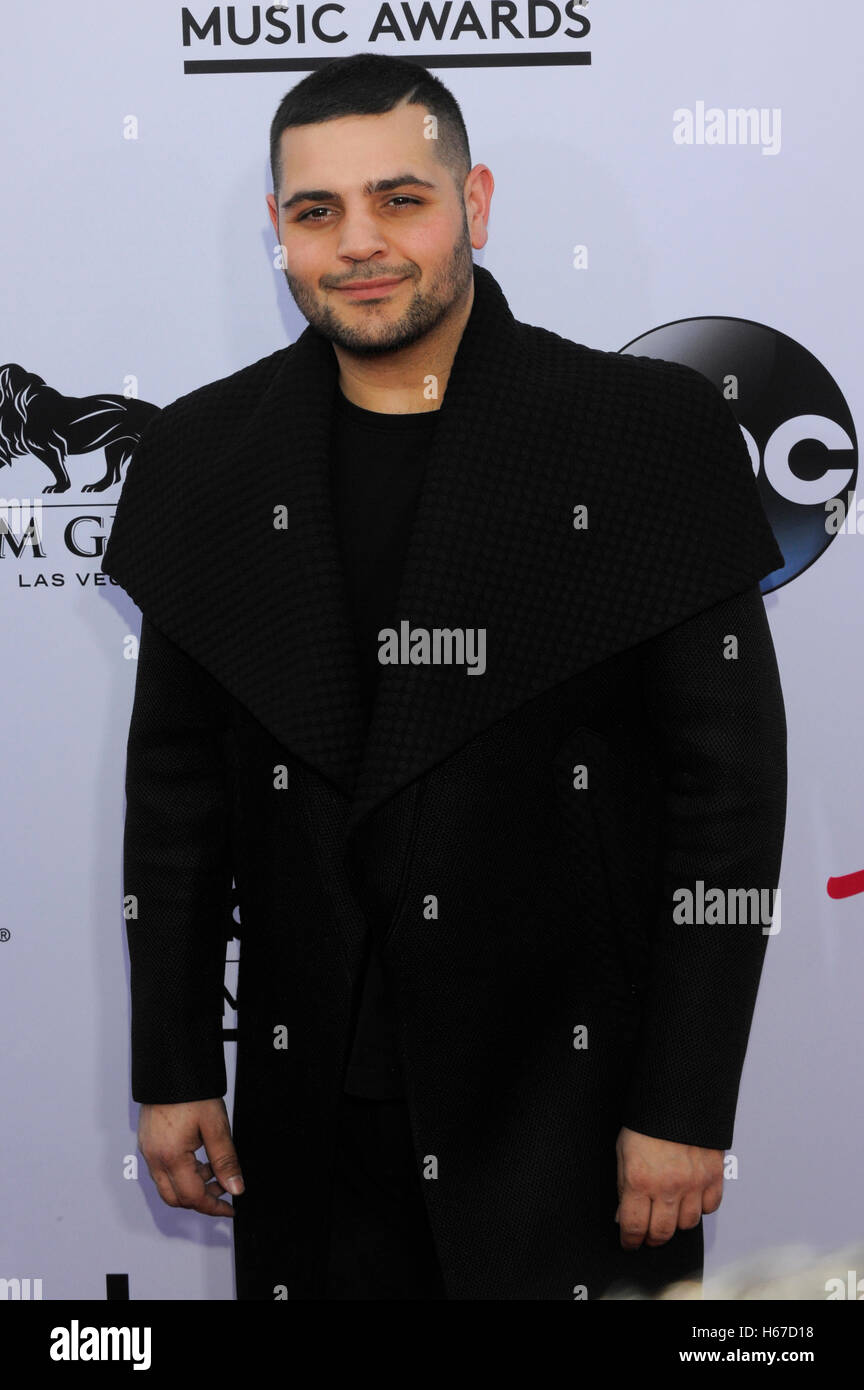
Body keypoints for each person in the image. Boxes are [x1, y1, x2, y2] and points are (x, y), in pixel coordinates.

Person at [101, 52, 787, 1300]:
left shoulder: (648, 435)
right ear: (279, 232)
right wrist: (174, 1063)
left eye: (400, 199)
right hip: (309, 1123)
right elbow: (178, 805)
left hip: (575, 1116)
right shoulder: (202, 456)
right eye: (318, 212)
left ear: (473, 203)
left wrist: (685, 1102)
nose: (359, 243)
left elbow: (727, 807)